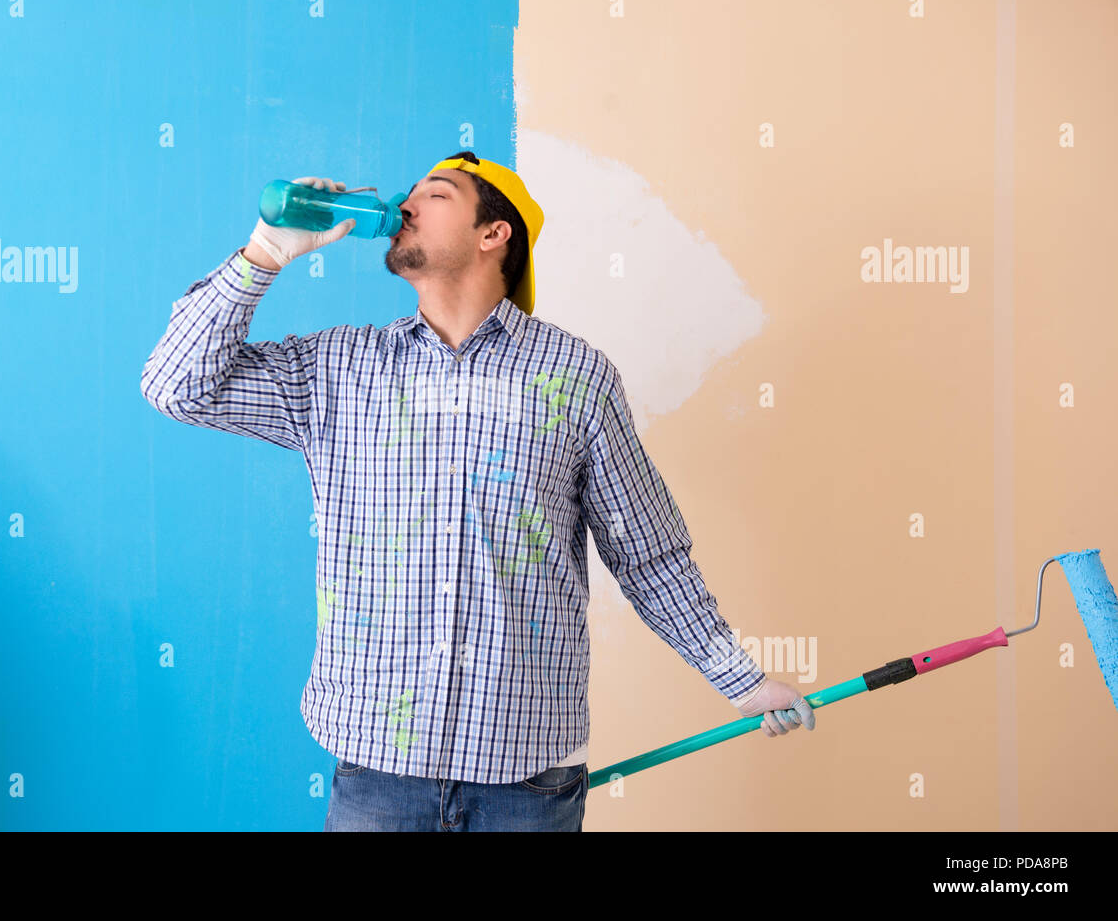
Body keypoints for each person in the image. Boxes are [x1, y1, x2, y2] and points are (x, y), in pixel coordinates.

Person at [139, 152, 815, 831]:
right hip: (379, 775)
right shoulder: (339, 369)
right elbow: (175, 384)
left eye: (435, 194)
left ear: (495, 233)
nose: (405, 202)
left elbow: (649, 553)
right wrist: (263, 253)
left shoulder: (575, 376)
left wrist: (743, 680)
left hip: (525, 784)